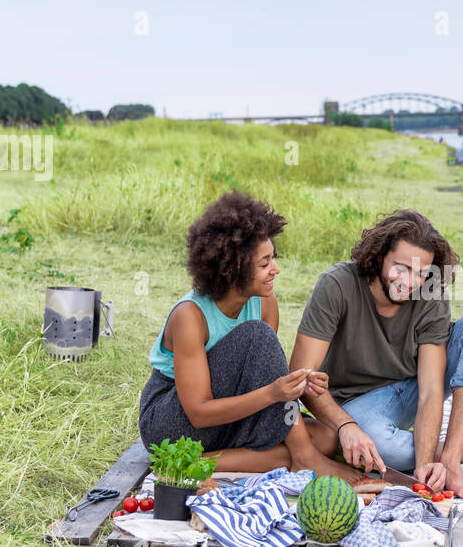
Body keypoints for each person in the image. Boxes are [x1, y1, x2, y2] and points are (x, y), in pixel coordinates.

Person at [289, 210, 463, 498]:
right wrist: (345, 426)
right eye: (401, 268)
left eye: (421, 272)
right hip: (355, 404)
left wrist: (426, 464)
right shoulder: (337, 285)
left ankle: (450, 458)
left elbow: (430, 393)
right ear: (378, 258)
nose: (410, 282)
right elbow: (301, 376)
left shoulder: (430, 293)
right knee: (380, 448)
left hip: (409, 389)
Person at [138, 191, 361, 482]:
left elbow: (265, 370)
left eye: (273, 259)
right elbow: (199, 414)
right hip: (174, 421)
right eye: (264, 263)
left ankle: (197, 462)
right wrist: (273, 393)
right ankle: (302, 457)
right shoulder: (190, 317)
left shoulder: (264, 299)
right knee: (259, 336)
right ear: (233, 270)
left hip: (230, 410)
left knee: (327, 439)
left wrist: (299, 383)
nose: (275, 270)